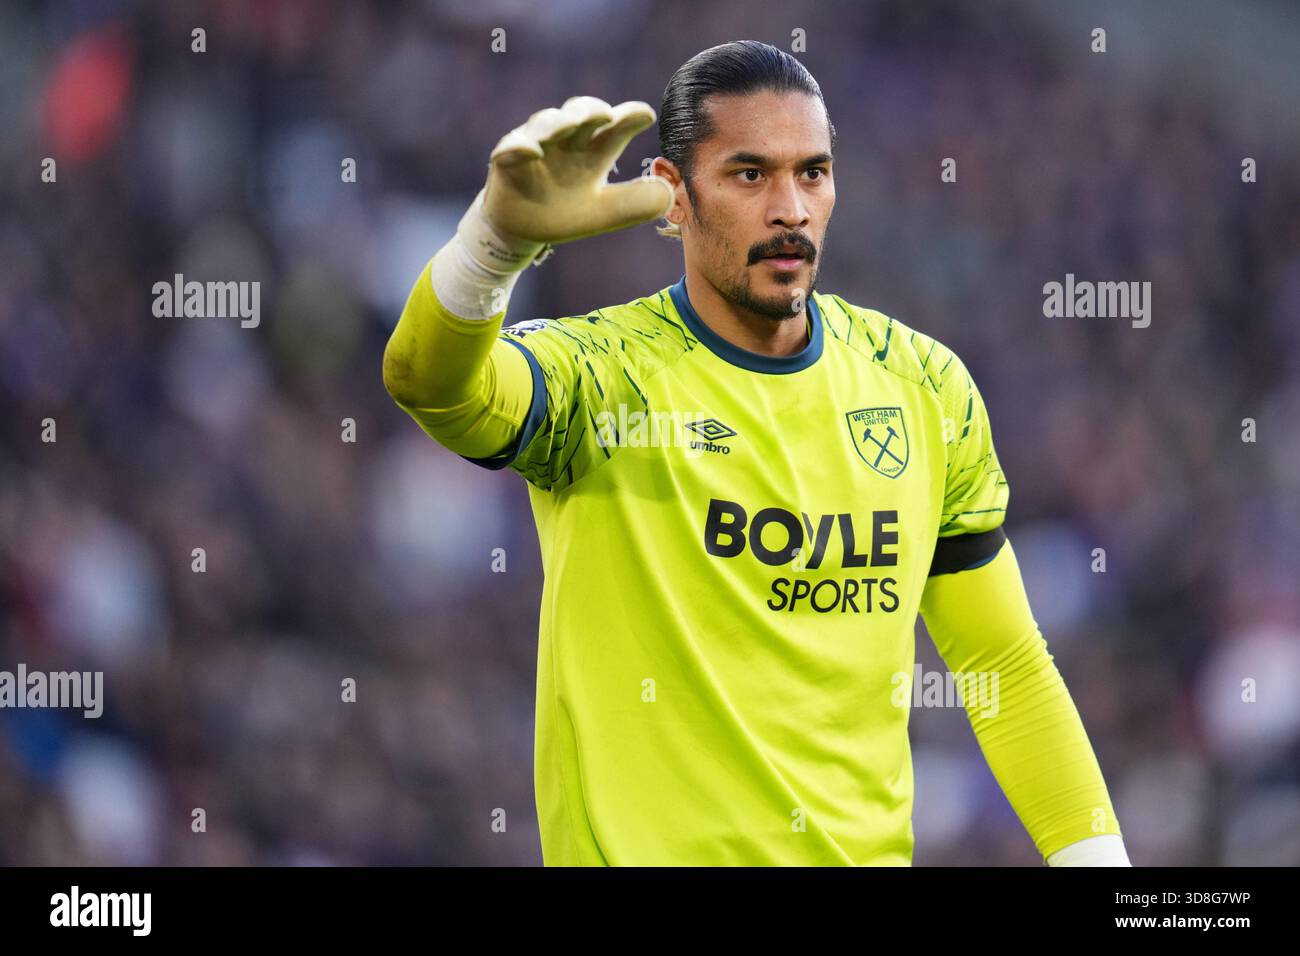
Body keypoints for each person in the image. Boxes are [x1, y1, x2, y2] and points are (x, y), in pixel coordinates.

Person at [383, 40, 1130, 867]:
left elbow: (1003, 665)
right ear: (673, 197)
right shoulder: (605, 380)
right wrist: (490, 248)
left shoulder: (922, 385)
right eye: (750, 175)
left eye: (812, 172)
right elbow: (433, 386)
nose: (791, 209)